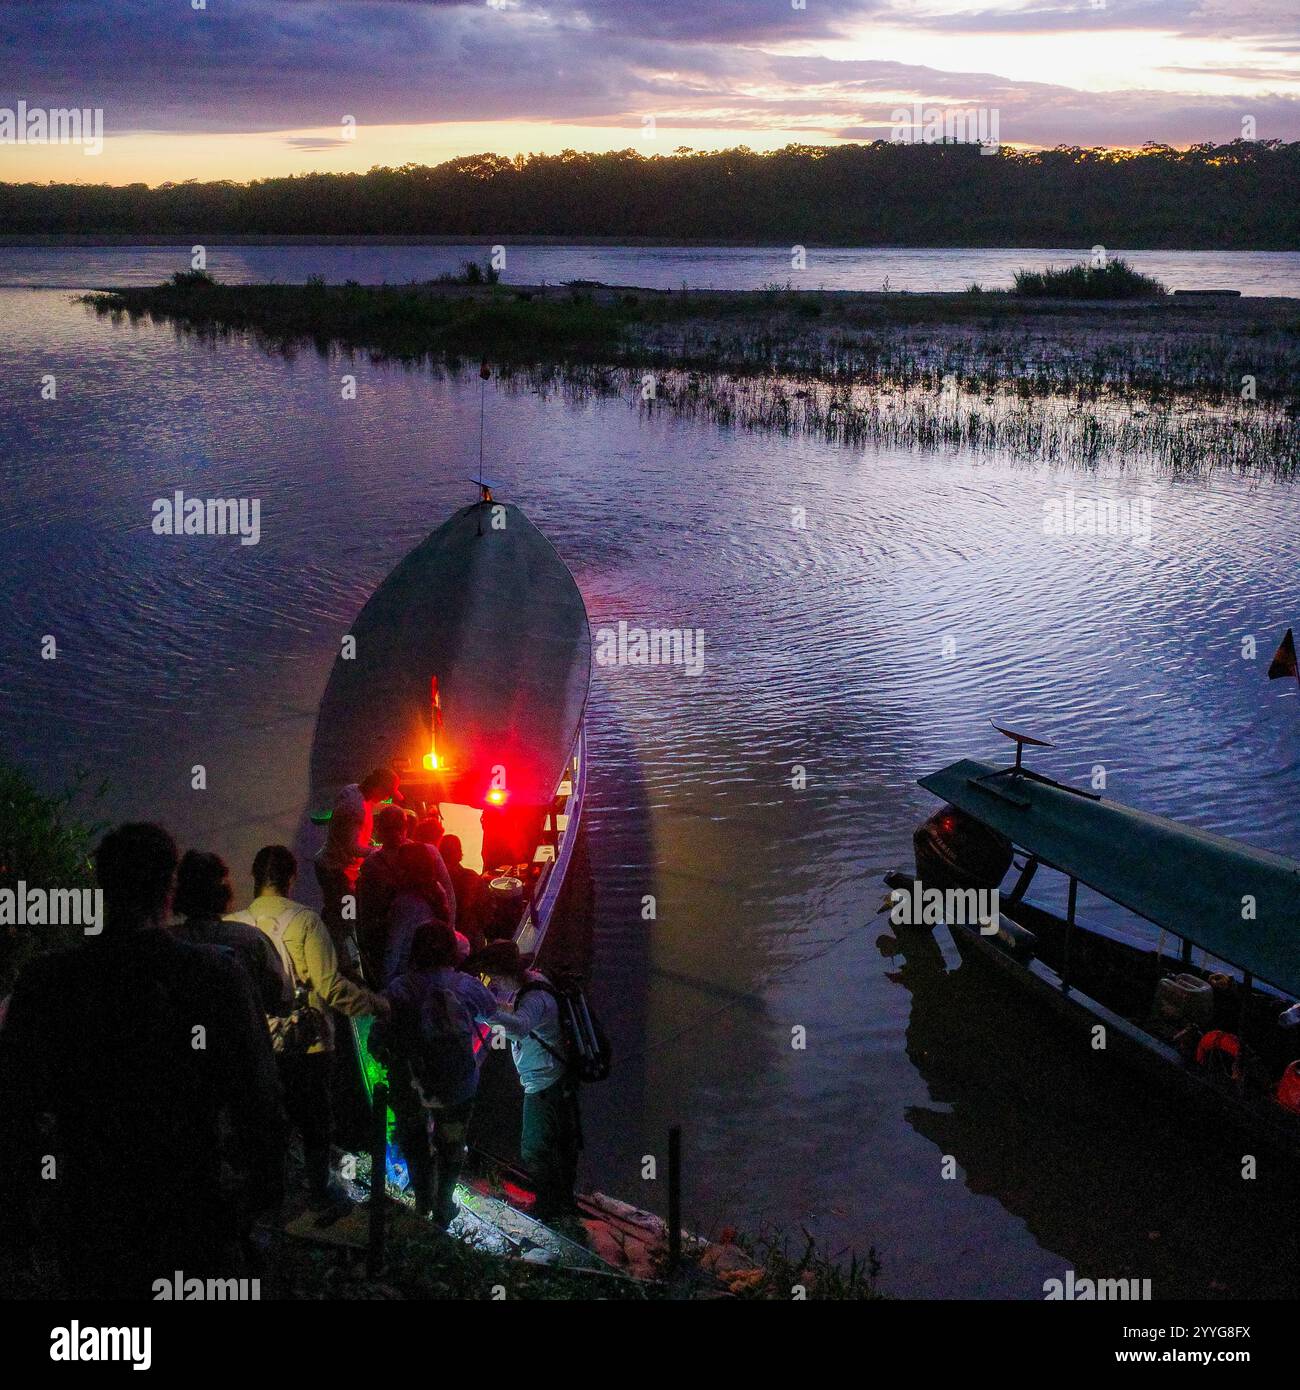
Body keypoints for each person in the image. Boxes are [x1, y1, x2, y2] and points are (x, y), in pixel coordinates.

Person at [0, 823, 285, 1298]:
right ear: (169, 887)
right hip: (192, 1209)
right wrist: (254, 1199)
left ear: (101, 885)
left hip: (91, 1213)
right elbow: (260, 1100)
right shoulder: (215, 976)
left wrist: (22, 1226)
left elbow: (15, 1111)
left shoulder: (49, 981)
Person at [230, 844, 388, 1217]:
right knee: (316, 1122)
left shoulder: (234, 925)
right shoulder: (306, 921)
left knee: (267, 1124)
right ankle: (319, 1193)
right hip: (309, 1046)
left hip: (257, 1046)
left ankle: (269, 1200)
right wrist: (377, 1004)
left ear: (254, 878)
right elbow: (331, 987)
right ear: (291, 878)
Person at [375, 921, 498, 1229]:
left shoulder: (400, 987)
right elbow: (491, 1008)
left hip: (411, 1082)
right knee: (452, 1144)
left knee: (414, 1140)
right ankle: (444, 1205)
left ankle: (422, 1202)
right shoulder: (467, 985)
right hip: (457, 1083)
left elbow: (377, 1039)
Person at [474, 940, 581, 1224]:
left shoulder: (533, 998)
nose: (495, 983)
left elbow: (520, 1027)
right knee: (558, 1145)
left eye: (496, 978)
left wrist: (481, 1014)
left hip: (544, 1082)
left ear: (508, 973)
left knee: (534, 1148)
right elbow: (517, 1015)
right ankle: (563, 1202)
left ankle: (548, 1210)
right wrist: (492, 1005)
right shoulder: (535, 983)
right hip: (555, 1078)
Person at [173, 849, 291, 1015]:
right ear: (223, 890)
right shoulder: (252, 940)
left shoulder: (165, 944)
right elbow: (282, 1000)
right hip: (239, 1038)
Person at [314, 767, 401, 972]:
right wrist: (378, 850)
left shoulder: (352, 790)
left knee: (332, 914)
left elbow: (348, 834)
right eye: (387, 793)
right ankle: (344, 966)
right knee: (347, 918)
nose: (387, 798)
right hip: (339, 875)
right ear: (378, 787)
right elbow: (352, 847)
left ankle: (326, 951)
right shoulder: (356, 808)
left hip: (328, 867)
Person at [379, 841, 465, 986]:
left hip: (408, 973)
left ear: (407, 869)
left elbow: (393, 949)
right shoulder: (436, 889)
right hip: (434, 969)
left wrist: (385, 985)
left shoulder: (405, 902)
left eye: (399, 865)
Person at [356, 803, 412, 985]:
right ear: (405, 827)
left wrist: (360, 936)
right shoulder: (421, 854)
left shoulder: (371, 864)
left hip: (382, 938)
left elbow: (362, 908)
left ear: (379, 829)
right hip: (417, 941)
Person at [439, 834, 486, 952]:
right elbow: (487, 907)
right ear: (460, 853)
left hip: (443, 939)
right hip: (471, 938)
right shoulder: (471, 877)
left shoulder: (434, 881)